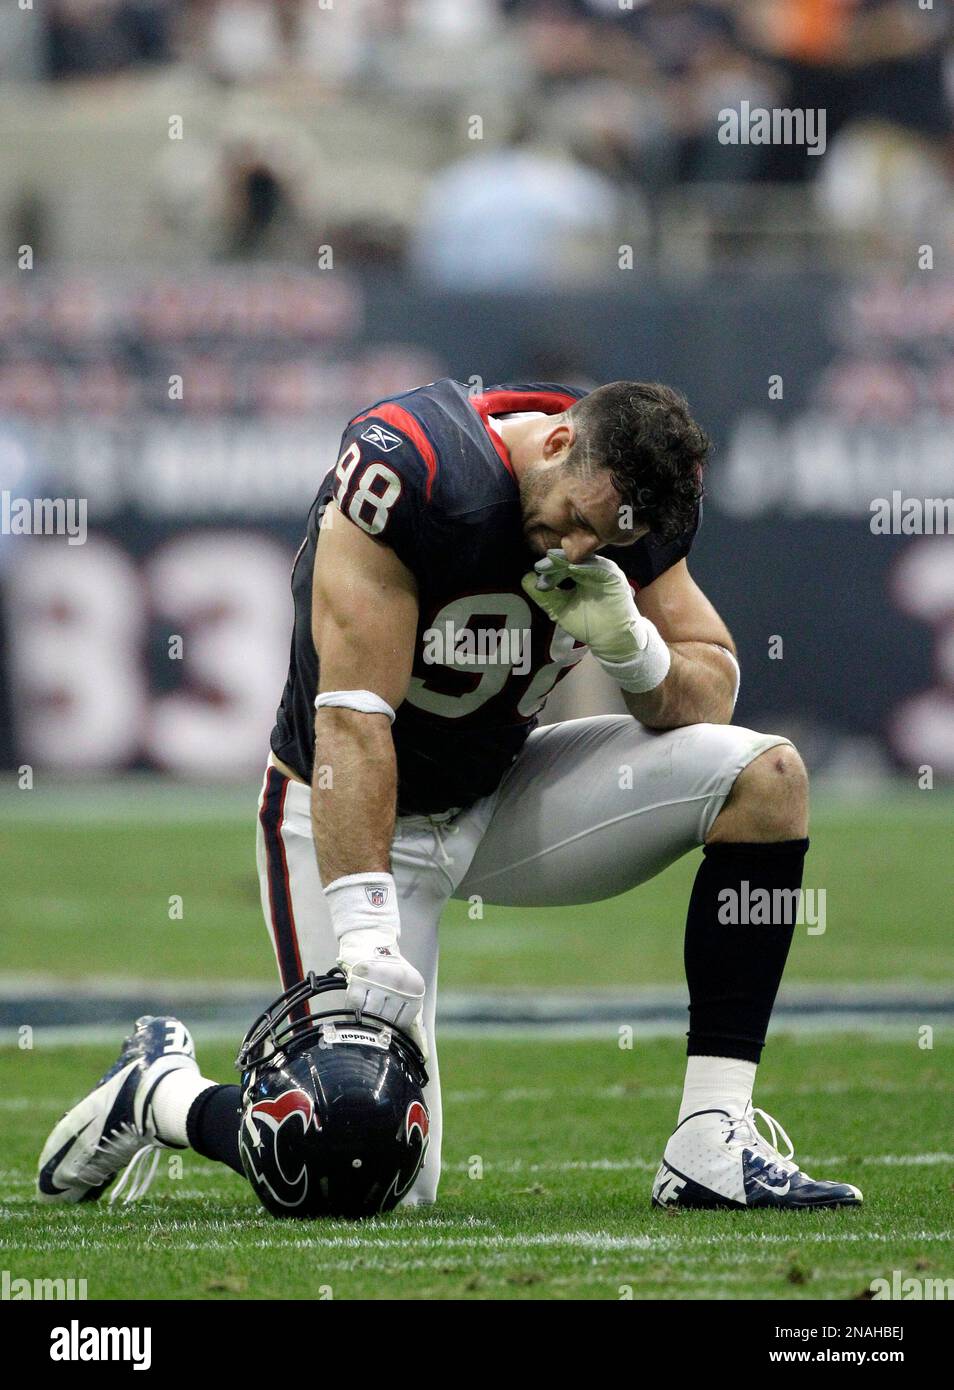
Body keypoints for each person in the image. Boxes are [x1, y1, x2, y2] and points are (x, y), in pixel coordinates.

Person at [38, 378, 862, 1212]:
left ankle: (711, 1142)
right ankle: (162, 1094)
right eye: (576, 520)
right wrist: (364, 929)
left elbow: (708, 691)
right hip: (355, 819)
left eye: (603, 541)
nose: (580, 550)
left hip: (502, 787)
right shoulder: (416, 470)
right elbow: (354, 719)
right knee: (361, 1165)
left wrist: (631, 647)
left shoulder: (625, 501)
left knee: (766, 779)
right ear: (554, 442)